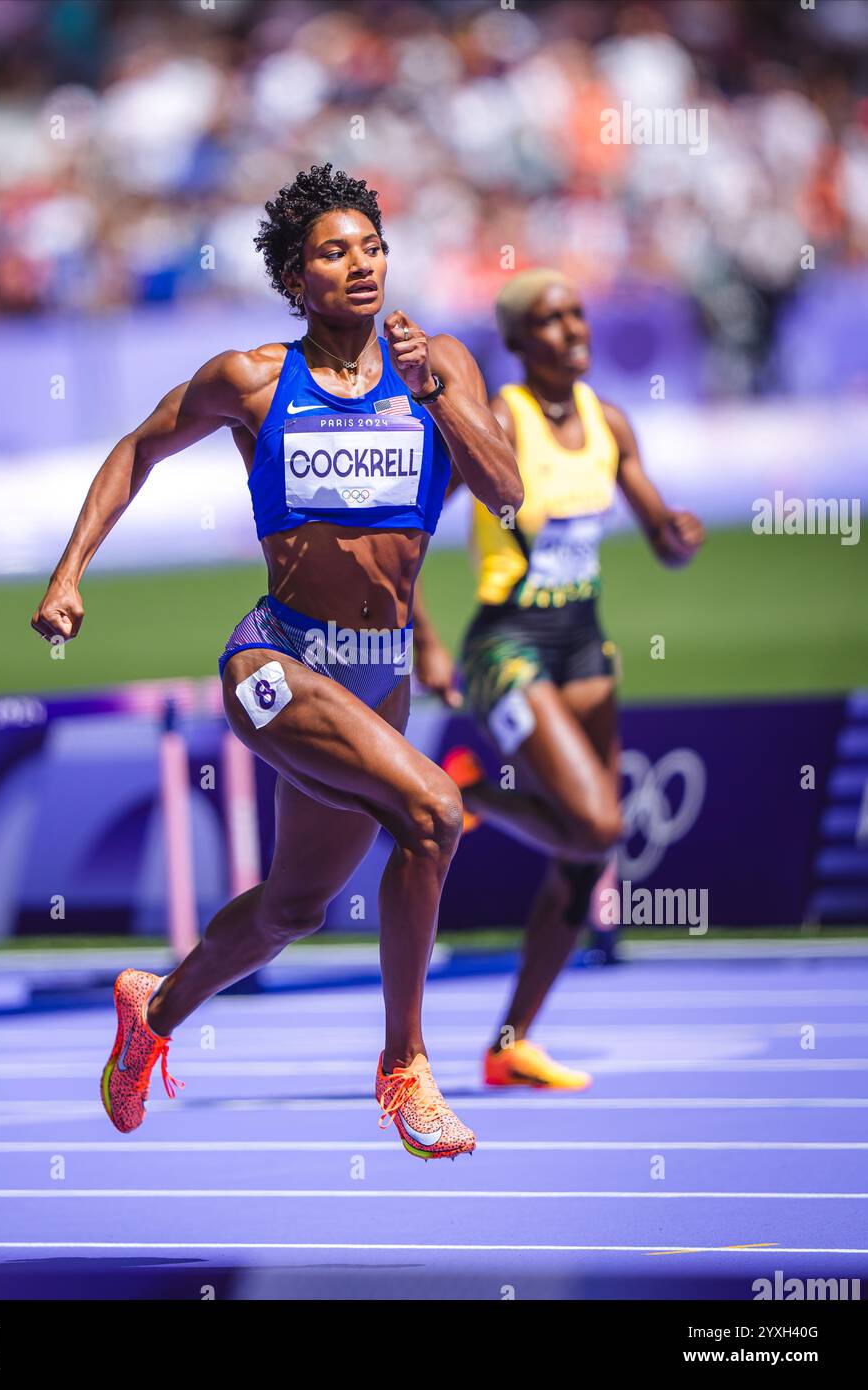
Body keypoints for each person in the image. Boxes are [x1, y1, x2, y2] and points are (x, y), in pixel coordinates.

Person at [30, 165, 522, 1160]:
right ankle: (404, 1068)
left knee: (293, 907)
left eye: (372, 247)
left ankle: (152, 1012)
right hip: (273, 664)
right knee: (432, 810)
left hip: (375, 678)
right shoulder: (251, 378)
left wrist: (439, 397)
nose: (361, 265)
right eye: (335, 252)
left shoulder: (439, 363)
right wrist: (68, 572)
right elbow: (136, 449)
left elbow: (506, 489)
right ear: (296, 280)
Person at [413, 268, 704, 1089]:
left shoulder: (606, 422)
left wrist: (679, 536)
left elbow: (662, 536)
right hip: (506, 647)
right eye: (548, 319)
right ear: (513, 341)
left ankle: (510, 1044)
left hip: (585, 646)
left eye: (576, 314)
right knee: (599, 827)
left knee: (579, 858)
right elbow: (406, 535)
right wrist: (425, 643)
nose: (571, 328)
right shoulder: (495, 420)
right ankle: (467, 793)